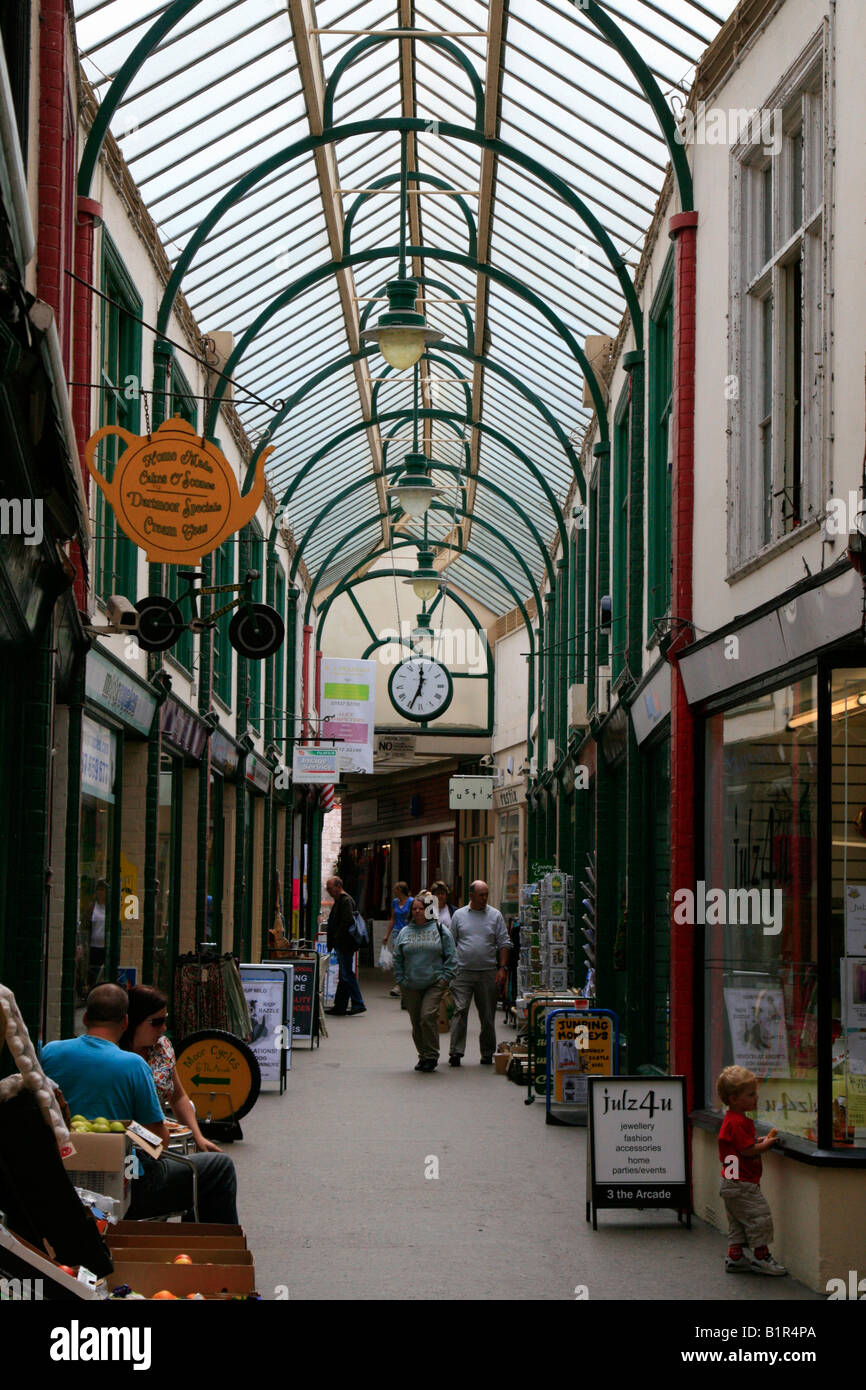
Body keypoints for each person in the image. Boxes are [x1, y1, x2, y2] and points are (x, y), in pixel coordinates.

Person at [41, 983, 238, 1224]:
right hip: (128, 1182)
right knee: (219, 1166)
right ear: (125, 1022)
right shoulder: (133, 1065)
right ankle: (209, 1254)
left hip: (61, 1178)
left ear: (85, 1017)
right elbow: (159, 1140)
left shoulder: (50, 1053)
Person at [119, 984, 223, 1154]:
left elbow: (178, 1097)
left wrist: (198, 1137)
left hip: (157, 1142)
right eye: (157, 1022)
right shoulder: (115, 1053)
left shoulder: (162, 1048)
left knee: (213, 1165)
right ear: (134, 1020)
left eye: (165, 1020)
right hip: (125, 1142)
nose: (163, 1028)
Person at [717, 1065, 786, 1275]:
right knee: (759, 1218)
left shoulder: (732, 1121)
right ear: (734, 1099)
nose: (756, 1097)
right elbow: (747, 1150)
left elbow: (742, 1145)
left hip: (730, 1182)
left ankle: (736, 1256)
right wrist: (768, 1144)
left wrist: (759, 1140)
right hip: (743, 1182)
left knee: (738, 1222)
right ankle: (761, 1257)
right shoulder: (738, 1123)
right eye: (750, 1094)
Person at [448, 880, 510, 1066]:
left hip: (487, 972)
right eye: (481, 895)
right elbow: (451, 942)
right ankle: (456, 1052)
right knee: (459, 1011)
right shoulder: (459, 916)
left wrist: (502, 967)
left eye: (486, 895)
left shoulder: (495, 915)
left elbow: (504, 942)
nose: (484, 898)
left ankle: (487, 1052)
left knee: (488, 1015)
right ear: (471, 896)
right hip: (462, 972)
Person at [392, 893, 457, 1072]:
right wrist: (401, 980)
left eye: (421, 908)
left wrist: (445, 978)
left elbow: (452, 956)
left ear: (428, 909)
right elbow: (397, 957)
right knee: (416, 1021)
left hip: (434, 983)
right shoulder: (405, 932)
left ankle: (431, 1055)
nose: (418, 912)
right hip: (410, 984)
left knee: (427, 1016)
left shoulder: (440, 930)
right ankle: (423, 1055)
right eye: (414, 909)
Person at [325, 875, 366, 1016]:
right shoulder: (340, 900)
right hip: (342, 943)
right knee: (344, 975)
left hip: (345, 944)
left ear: (338, 887)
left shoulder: (345, 900)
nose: (328, 891)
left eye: (330, 888)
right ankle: (340, 1006)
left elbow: (347, 920)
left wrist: (336, 936)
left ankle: (358, 1002)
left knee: (347, 974)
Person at [383, 881, 413, 997]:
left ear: (400, 890)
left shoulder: (411, 902)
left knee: (407, 958)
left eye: (395, 889)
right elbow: (393, 918)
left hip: (408, 932)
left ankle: (405, 984)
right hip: (397, 933)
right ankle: (399, 984)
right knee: (397, 959)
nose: (394, 891)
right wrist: (387, 935)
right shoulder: (395, 902)